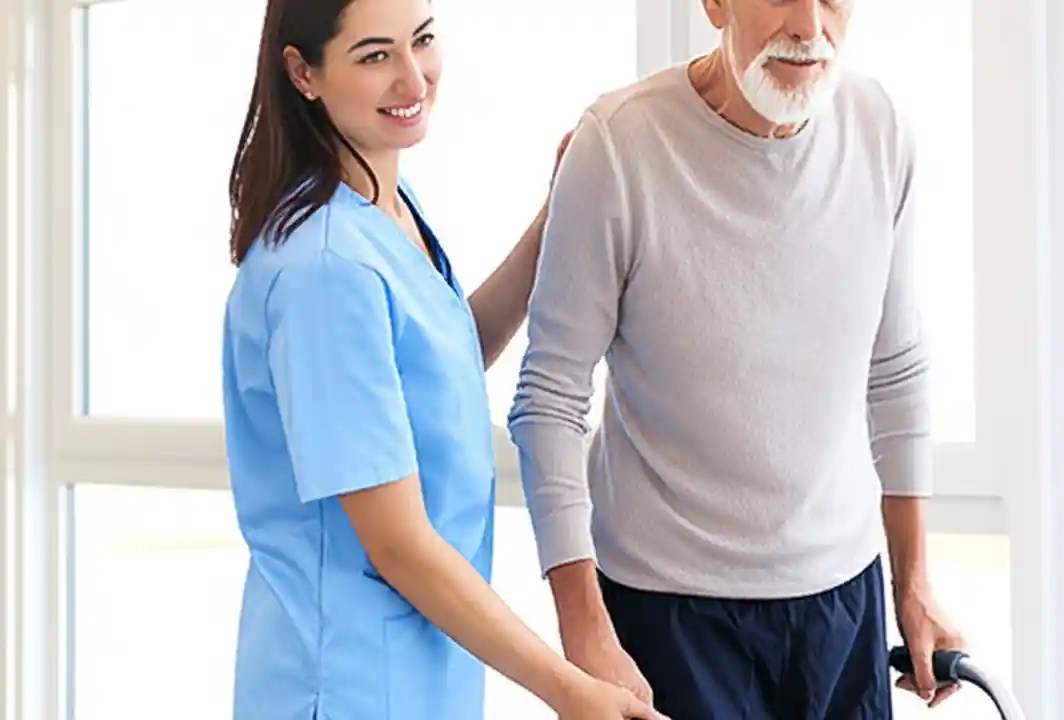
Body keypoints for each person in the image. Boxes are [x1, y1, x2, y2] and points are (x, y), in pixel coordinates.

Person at [508, 0, 967, 718]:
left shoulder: (882, 130)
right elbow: (549, 398)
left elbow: (897, 365)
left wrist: (914, 582)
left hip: (842, 605)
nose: (810, 28)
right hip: (667, 613)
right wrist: (584, 625)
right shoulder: (620, 144)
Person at [220, 0, 669, 718]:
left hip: (419, 675)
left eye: (422, 41)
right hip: (345, 686)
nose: (413, 78)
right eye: (374, 56)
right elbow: (398, 545)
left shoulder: (385, 213)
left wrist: (555, 220)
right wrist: (569, 688)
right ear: (303, 72)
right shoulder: (328, 270)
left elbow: (445, 357)